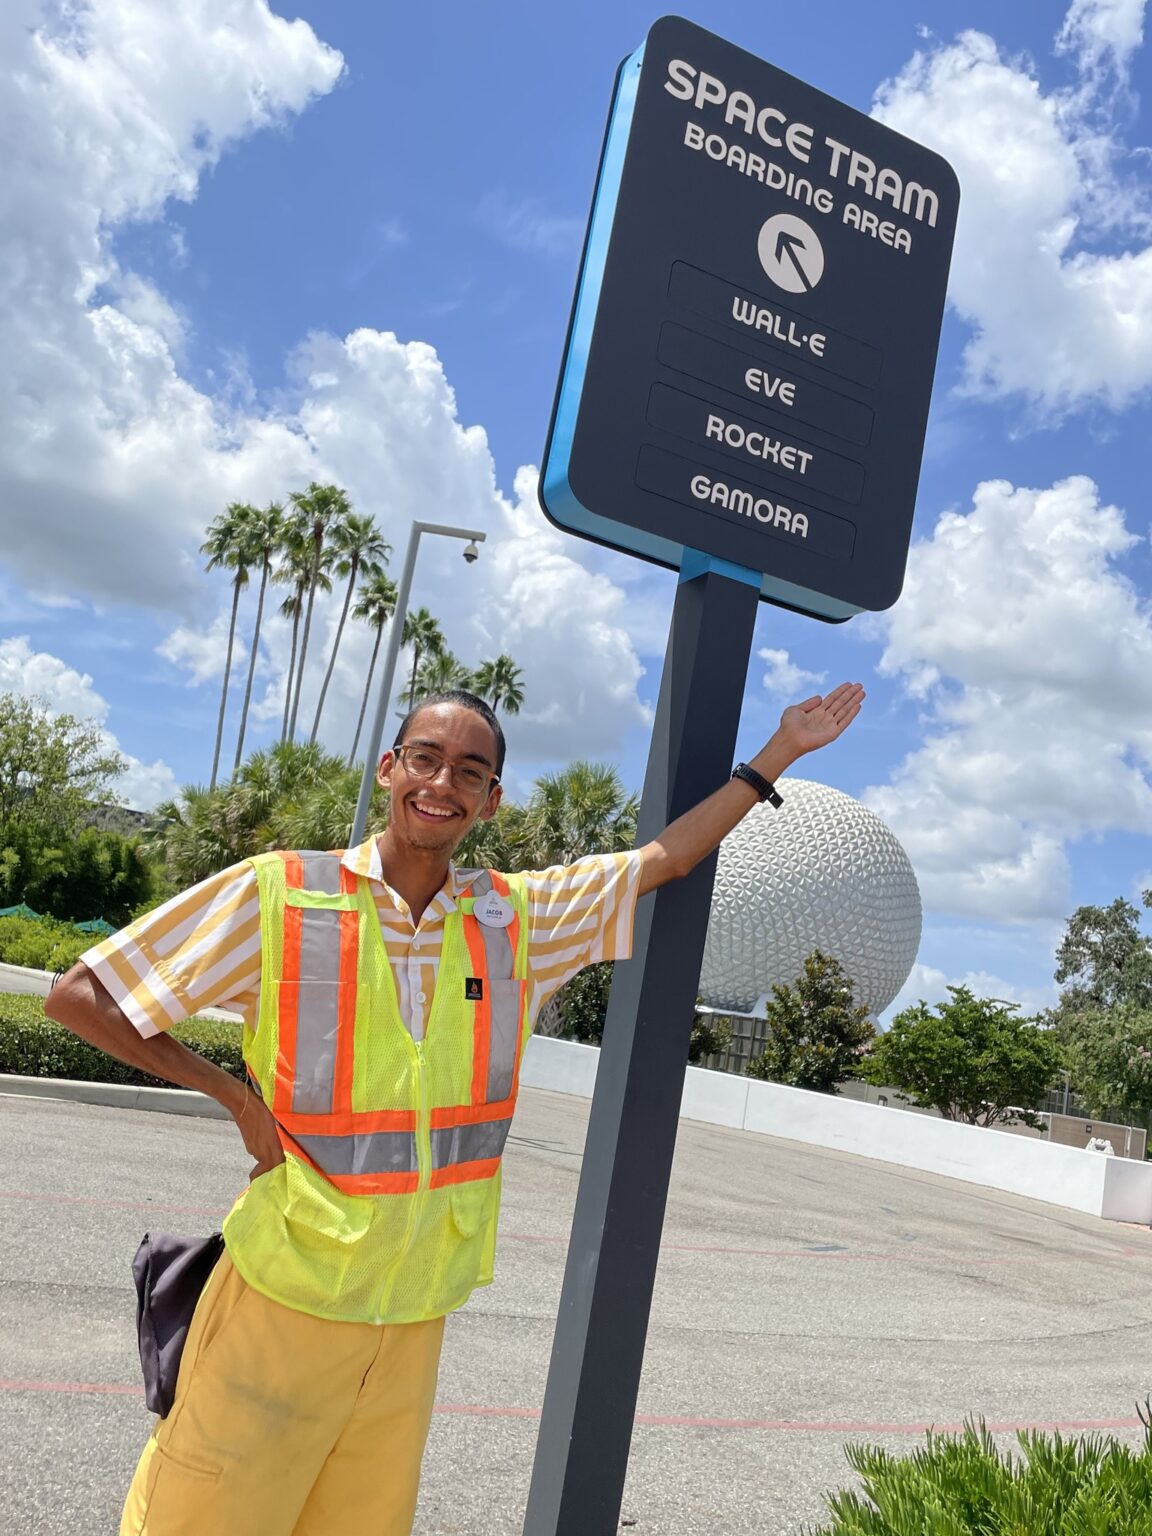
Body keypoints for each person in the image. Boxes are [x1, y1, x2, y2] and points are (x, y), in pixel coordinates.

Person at [47, 681, 864, 1536]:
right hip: (284, 1300)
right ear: (389, 767)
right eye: (425, 760)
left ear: (491, 800)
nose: (442, 783)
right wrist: (232, 1098)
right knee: (203, 1521)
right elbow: (81, 996)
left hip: (411, 1319)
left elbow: (663, 860)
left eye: (469, 771)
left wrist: (777, 756)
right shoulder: (281, 893)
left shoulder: (515, 921)